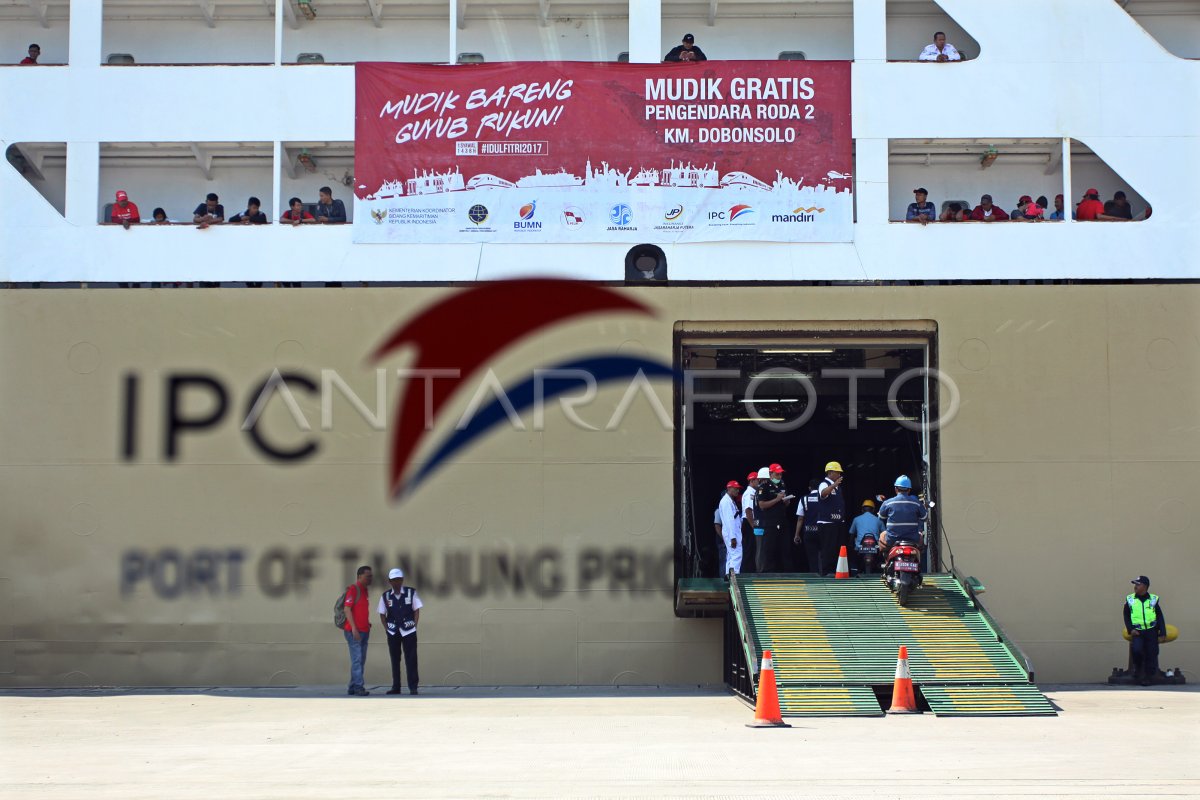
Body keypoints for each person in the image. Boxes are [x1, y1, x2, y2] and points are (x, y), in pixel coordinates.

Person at [377, 568, 423, 695]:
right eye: (393, 580)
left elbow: (416, 610)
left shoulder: (411, 592)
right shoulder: (385, 596)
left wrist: (414, 626)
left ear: (402, 580)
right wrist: (387, 629)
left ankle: (413, 687)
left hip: (409, 631)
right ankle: (396, 686)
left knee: (412, 659)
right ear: (389, 581)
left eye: (398, 580)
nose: (396, 583)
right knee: (395, 659)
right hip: (393, 632)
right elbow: (382, 613)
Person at [1124, 576, 1166, 686]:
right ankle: (1137, 670)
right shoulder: (1130, 599)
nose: (1135, 587)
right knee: (1137, 650)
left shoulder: (1153, 599)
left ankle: (1147, 677)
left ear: (1145, 586)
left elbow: (1160, 616)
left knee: (1152, 653)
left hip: (1151, 631)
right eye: (1135, 584)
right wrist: (1130, 629)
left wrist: (1162, 632)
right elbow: (1126, 615)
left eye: (1138, 584)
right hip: (1137, 632)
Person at [754, 463, 793, 573]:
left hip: (782, 520)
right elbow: (762, 505)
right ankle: (768, 572)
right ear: (770, 474)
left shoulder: (782, 485)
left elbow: (784, 503)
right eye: (777, 475)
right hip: (769, 522)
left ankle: (786, 572)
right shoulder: (763, 487)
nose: (779, 477)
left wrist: (786, 501)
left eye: (780, 474)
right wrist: (776, 499)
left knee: (785, 548)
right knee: (768, 549)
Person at [341, 565, 374, 696]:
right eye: (368, 576)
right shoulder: (354, 589)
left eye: (371, 576)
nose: (370, 579)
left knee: (360, 660)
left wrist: (367, 623)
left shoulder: (365, 590)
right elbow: (347, 609)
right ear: (360, 576)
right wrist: (354, 628)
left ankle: (352, 686)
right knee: (357, 660)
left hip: (364, 630)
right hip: (354, 632)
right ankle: (359, 687)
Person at [877, 475, 928, 548]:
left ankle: (886, 558)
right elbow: (925, 518)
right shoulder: (917, 503)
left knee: (882, 535)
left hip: (892, 539)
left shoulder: (887, 503)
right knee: (921, 541)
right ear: (909, 490)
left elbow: (880, 518)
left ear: (896, 489)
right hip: (913, 539)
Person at [814, 462, 846, 576]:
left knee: (836, 547)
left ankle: (834, 569)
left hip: (837, 522)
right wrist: (833, 485)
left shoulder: (838, 487)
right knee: (827, 548)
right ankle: (825, 571)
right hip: (827, 523)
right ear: (830, 472)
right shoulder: (824, 484)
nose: (839, 474)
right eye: (837, 472)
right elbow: (823, 493)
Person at [794, 478, 822, 574]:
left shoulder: (804, 499)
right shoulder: (824, 498)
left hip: (809, 532)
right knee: (823, 555)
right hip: (822, 531)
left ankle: (815, 575)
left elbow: (800, 519)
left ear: (809, 488)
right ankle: (824, 574)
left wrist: (797, 534)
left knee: (812, 556)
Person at [848, 499, 884, 572]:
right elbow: (884, 534)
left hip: (860, 547)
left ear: (862, 510)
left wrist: (851, 545)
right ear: (873, 510)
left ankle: (854, 569)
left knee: (853, 557)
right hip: (875, 546)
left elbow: (851, 534)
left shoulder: (856, 519)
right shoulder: (878, 520)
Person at [716, 481, 743, 576]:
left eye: (738, 488)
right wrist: (733, 537)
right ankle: (734, 579)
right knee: (736, 556)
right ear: (729, 489)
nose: (737, 490)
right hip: (732, 533)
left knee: (731, 557)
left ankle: (728, 578)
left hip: (733, 533)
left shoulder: (730, 501)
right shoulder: (726, 502)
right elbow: (729, 521)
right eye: (735, 488)